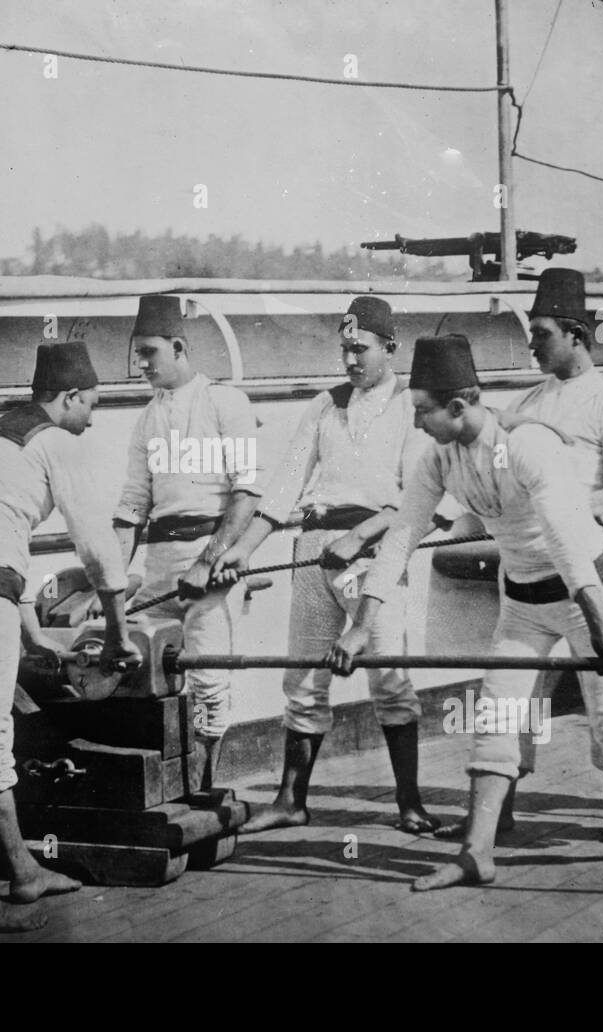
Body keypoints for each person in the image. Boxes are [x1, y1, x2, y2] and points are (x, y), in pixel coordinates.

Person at [333, 335, 603, 890]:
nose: (416, 423)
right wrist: (361, 626)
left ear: (460, 407)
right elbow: (401, 538)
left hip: (583, 591)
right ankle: (475, 853)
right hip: (521, 604)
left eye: (423, 411)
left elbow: (566, 539)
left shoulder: (528, 444)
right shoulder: (439, 456)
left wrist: (601, 627)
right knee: (495, 718)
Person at [0, 341, 140, 933]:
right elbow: (96, 544)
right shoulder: (55, 440)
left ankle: (22, 871)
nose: (92, 419)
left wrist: (33, 635)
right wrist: (118, 635)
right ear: (67, 397)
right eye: (89, 405)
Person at [211, 296, 436, 834]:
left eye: (361, 349)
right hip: (314, 550)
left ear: (390, 348)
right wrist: (243, 549)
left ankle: (409, 802)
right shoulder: (325, 404)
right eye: (345, 349)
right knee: (304, 680)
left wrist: (360, 536)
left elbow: (417, 499)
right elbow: (285, 485)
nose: (351, 360)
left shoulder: (412, 407)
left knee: (389, 680)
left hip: (375, 555)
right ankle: (291, 800)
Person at [438, 268, 603, 842]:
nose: (532, 343)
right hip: (526, 580)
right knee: (513, 698)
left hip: (588, 573)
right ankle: (498, 810)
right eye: (531, 332)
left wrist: (574, 514)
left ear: (577, 335)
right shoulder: (525, 403)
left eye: (543, 333)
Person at [113, 295, 263, 777]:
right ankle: (169, 787)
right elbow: (133, 506)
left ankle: (204, 787)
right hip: (160, 565)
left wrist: (208, 561)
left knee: (208, 682)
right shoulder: (146, 419)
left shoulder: (225, 401)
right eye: (136, 354)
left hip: (210, 562)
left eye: (149, 352)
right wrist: (112, 585)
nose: (140, 364)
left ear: (178, 346)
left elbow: (247, 492)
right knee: (144, 672)